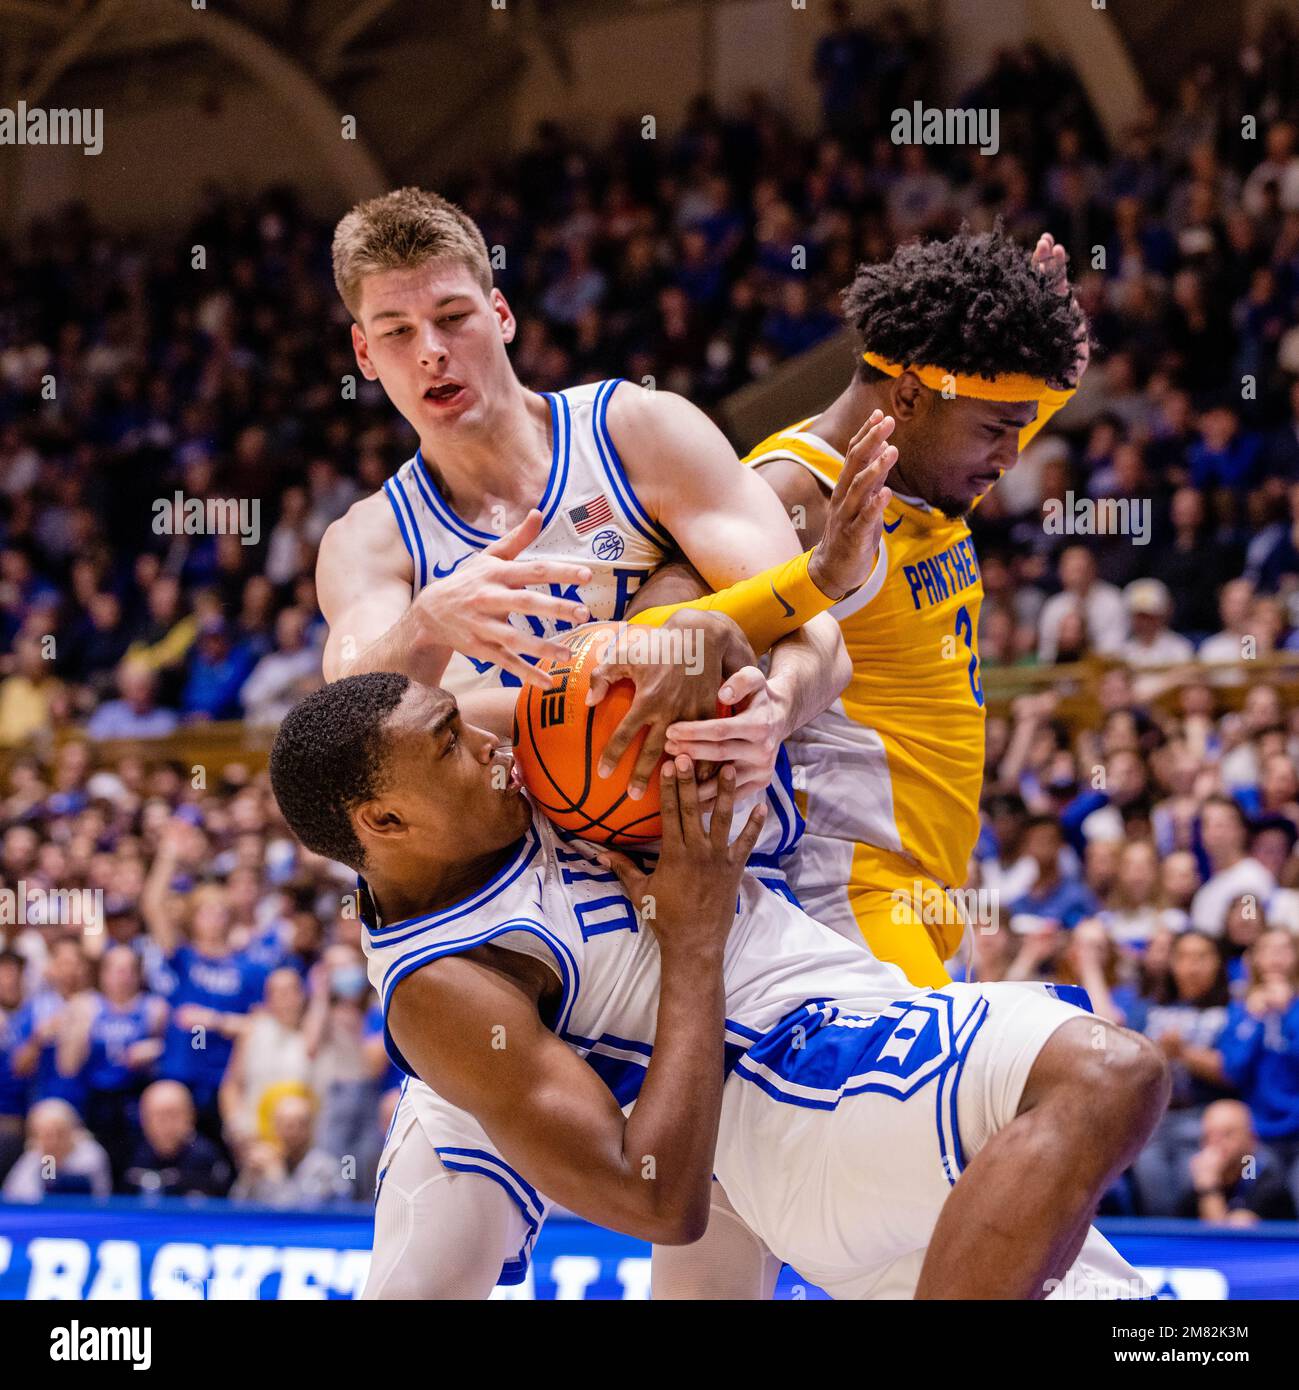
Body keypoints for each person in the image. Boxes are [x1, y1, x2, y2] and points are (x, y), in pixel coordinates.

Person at [315, 185, 885, 1295]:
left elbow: (815, 637)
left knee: (707, 1267)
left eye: (452, 316)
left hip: (697, 922)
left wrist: (781, 705)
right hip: (514, 952)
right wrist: (432, 624)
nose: (431, 351)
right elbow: (346, 713)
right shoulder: (375, 539)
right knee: (413, 1284)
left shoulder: (637, 433)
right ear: (364, 353)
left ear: (503, 312)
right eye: (396, 333)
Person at [270, 672, 1168, 1300]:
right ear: (384, 820)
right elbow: (653, 1197)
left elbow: (706, 642)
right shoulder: (445, 986)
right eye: (451, 745)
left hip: (866, 1096)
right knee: (1106, 1075)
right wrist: (692, 938)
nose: (486, 738)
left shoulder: (519, 777)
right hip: (801, 1083)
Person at [1217, 928, 1299, 1207]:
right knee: (1252, 1202)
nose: (1275, 958)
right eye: (1267, 950)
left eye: (1283, 949)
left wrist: (1288, 1014)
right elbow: (1233, 1069)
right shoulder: (1241, 1010)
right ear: (1254, 959)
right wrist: (1253, 1021)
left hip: (1297, 1126)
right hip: (1258, 1132)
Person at [1178, 1099, 1297, 1223]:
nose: (1215, 1143)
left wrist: (1209, 1188)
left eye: (1227, 1134)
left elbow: (1229, 1238)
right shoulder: (1196, 1185)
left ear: (1251, 1140)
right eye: (1208, 1136)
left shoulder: (1267, 1186)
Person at [230, 1092, 351, 1208]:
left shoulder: (325, 1169)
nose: (291, 1133)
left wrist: (276, 1176)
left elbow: (297, 1217)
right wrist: (249, 1178)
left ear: (310, 1127)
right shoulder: (265, 1162)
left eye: (298, 1124)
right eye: (285, 1125)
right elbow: (236, 1207)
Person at [121, 1079, 232, 1197]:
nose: (166, 1124)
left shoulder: (207, 1159)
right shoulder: (131, 1154)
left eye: (173, 1115)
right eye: (157, 1116)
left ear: (191, 1115)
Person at [2, 1097, 110, 1201]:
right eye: (46, 1135)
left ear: (71, 1131)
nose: (53, 1141)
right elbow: (14, 1196)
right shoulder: (38, 1156)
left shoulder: (89, 1153)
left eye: (59, 1133)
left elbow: (99, 1197)